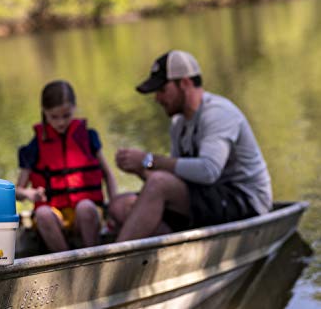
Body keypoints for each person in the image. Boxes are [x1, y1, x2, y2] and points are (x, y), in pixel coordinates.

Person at [109, 50, 272, 242]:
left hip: (246, 201)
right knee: (120, 206)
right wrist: (139, 169)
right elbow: (176, 178)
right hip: (208, 199)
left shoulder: (218, 114)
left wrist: (148, 160)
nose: (157, 98)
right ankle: (169, 258)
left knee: (159, 183)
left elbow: (209, 171)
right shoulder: (179, 123)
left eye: (162, 90)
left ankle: (113, 264)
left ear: (185, 83)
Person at [16, 80, 117, 252]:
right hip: (56, 217)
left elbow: (109, 174)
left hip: (84, 216)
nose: (61, 122)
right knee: (42, 214)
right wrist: (29, 193)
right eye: (54, 117)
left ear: (75, 108)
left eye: (66, 115)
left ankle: (92, 258)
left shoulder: (88, 136)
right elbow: (17, 191)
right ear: (44, 112)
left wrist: (113, 208)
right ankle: (65, 262)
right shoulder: (35, 146)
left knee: (85, 207)